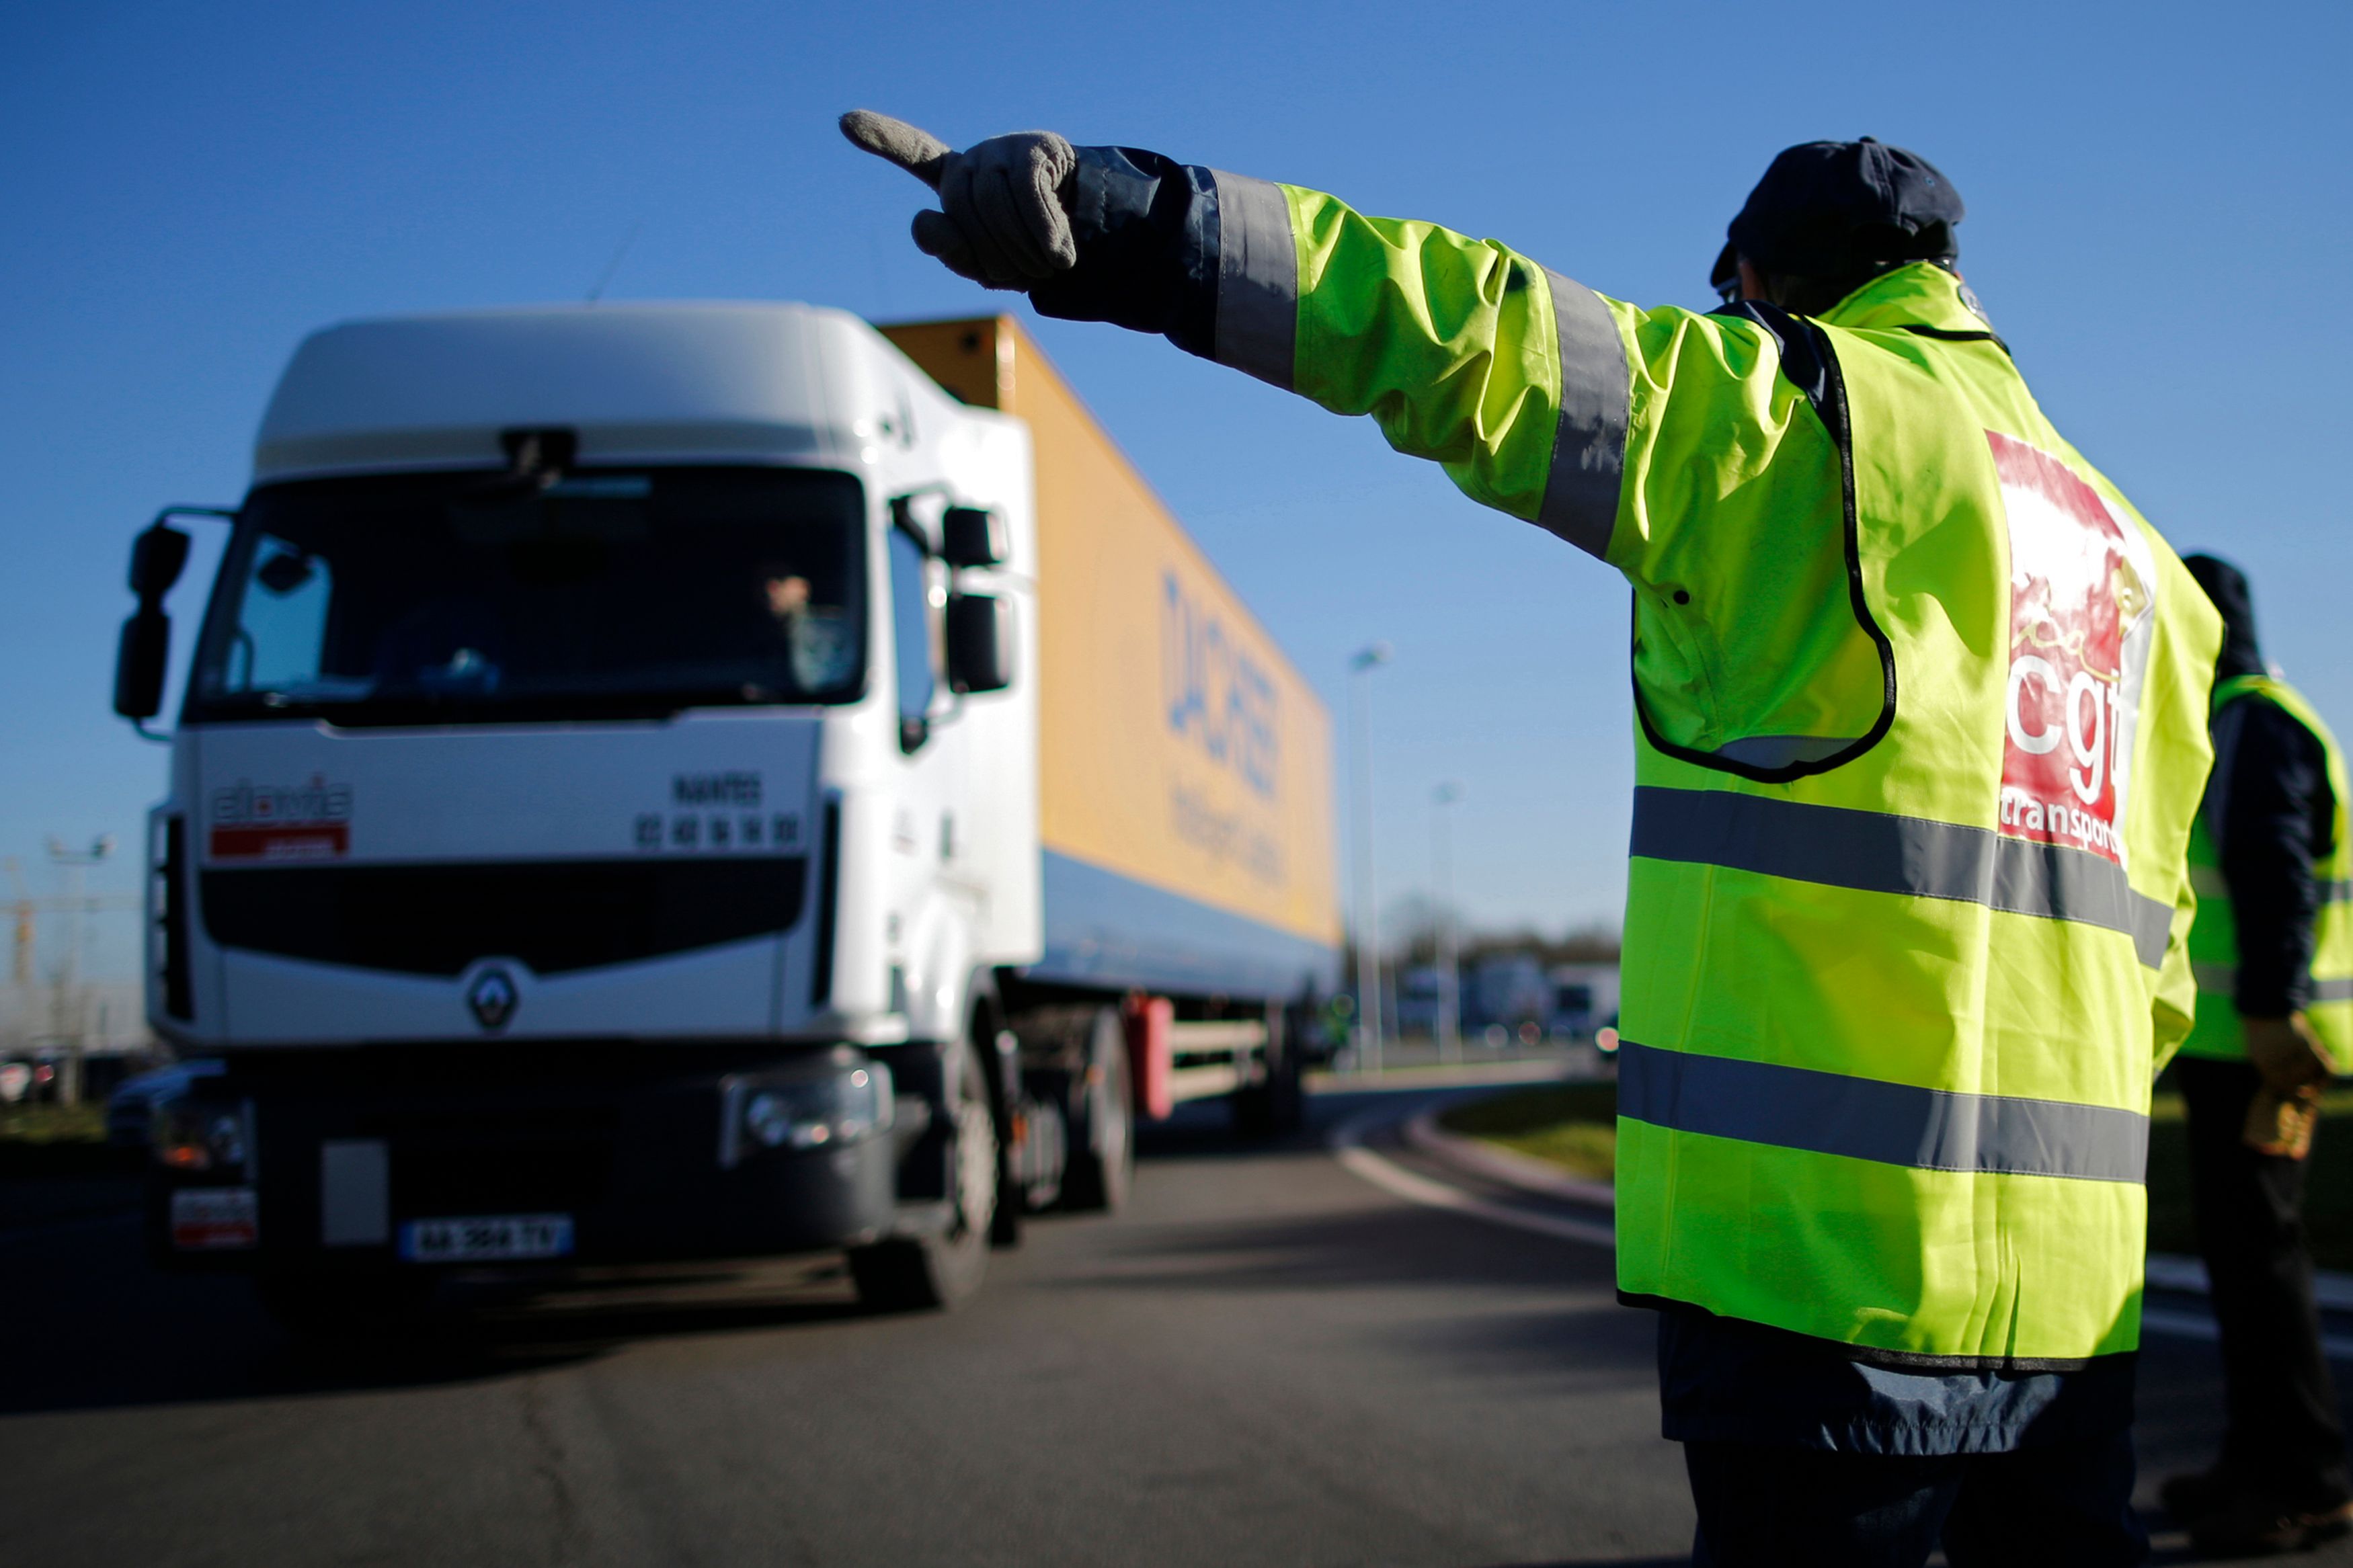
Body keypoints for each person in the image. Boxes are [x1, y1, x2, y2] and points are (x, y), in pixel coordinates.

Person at [844, 117, 2223, 1565]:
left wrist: (1135, 224)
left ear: (1758, 285)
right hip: (2076, 1304)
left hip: (1822, 1288)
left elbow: (1462, 329)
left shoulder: (1789, 417)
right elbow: (2161, 973)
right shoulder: (2145, 579)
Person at [2161, 554, 2353, 1557]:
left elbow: (2274, 871)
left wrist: (2276, 1012)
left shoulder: (2253, 722)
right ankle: (2257, 1459)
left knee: (2264, 1262)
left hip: (2267, 1046)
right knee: (2244, 1260)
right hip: (2247, 1042)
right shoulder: (2249, 717)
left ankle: (2307, 1482)